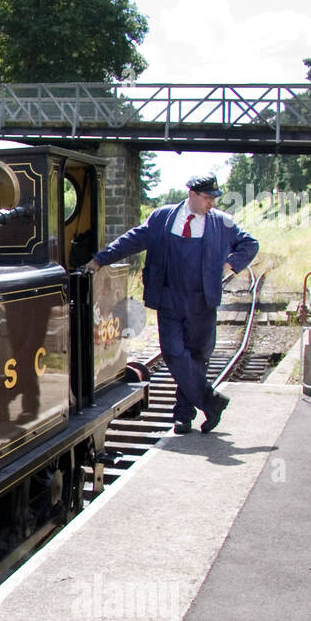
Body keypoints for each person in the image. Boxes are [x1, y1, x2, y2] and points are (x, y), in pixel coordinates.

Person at [85, 174, 258, 434]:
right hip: (169, 299)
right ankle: (210, 401)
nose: (211, 203)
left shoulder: (221, 222)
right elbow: (132, 239)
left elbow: (250, 244)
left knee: (197, 358)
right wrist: (100, 259)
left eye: (213, 198)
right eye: (207, 198)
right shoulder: (162, 217)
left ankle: (184, 416)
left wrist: (229, 265)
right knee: (174, 353)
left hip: (202, 301)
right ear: (192, 193)